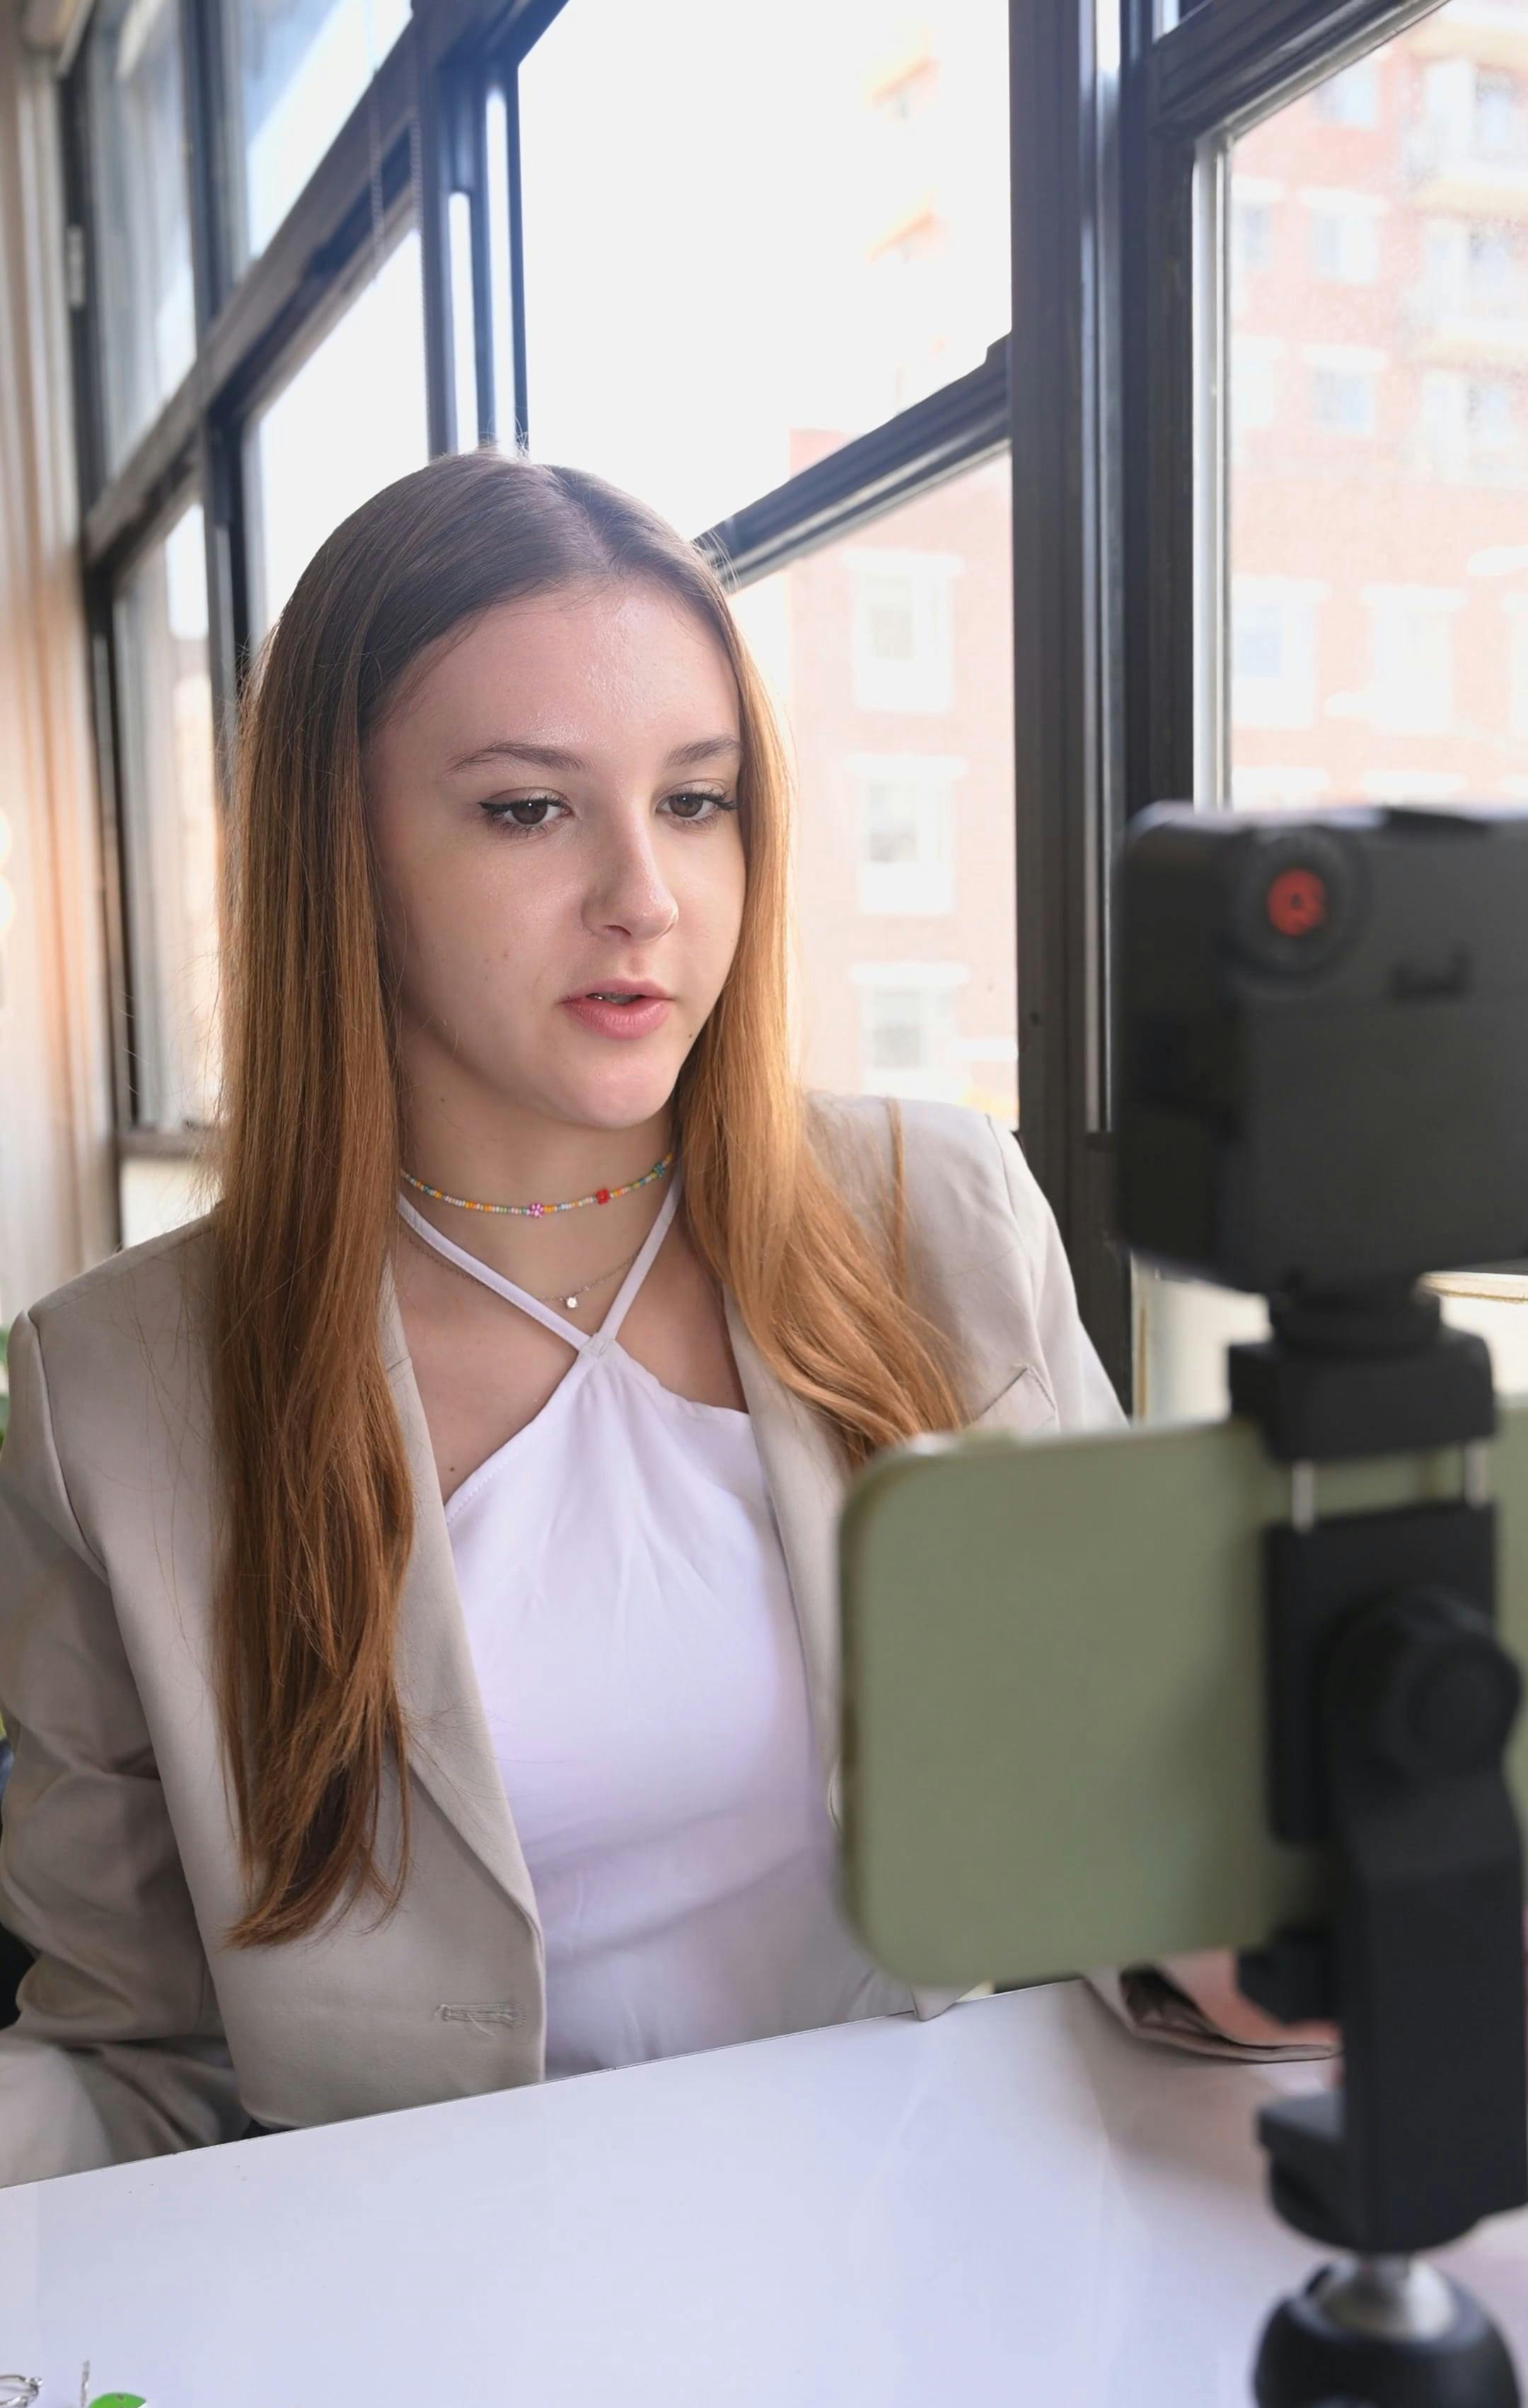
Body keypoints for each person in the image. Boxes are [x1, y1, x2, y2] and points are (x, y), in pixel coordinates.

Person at [0, 452, 1332, 2189]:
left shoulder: (935, 1218)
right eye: (527, 809)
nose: (647, 894)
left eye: (697, 801)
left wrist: (1289, 1930)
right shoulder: (117, 1391)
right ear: (344, 857)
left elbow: (1142, 1831)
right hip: (434, 2349)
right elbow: (130, 2056)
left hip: (919, 2256)